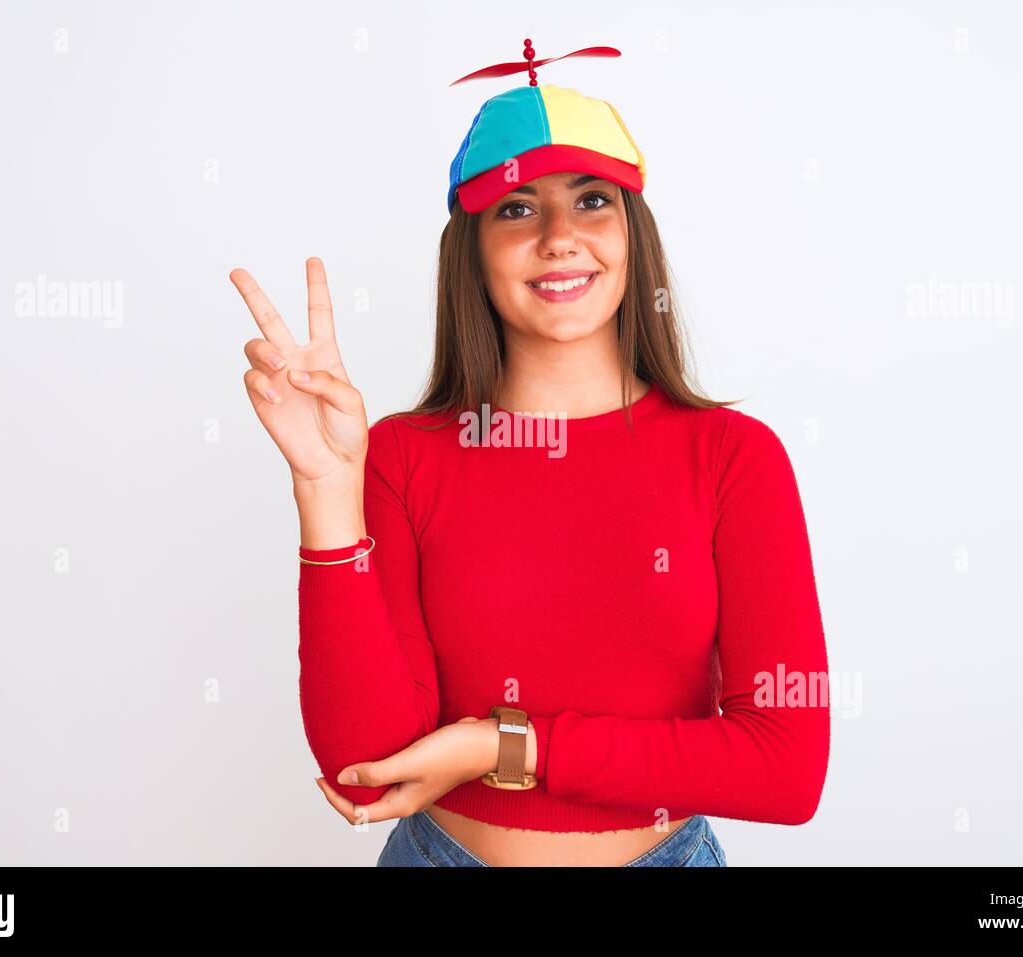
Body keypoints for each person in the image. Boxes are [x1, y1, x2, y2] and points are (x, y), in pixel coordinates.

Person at [229, 57, 830, 867]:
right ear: (471, 251)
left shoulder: (734, 458)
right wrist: (326, 490)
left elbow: (786, 770)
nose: (558, 238)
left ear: (631, 235)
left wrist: (502, 746)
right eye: (517, 207)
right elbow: (367, 775)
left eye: (592, 199)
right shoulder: (401, 459)